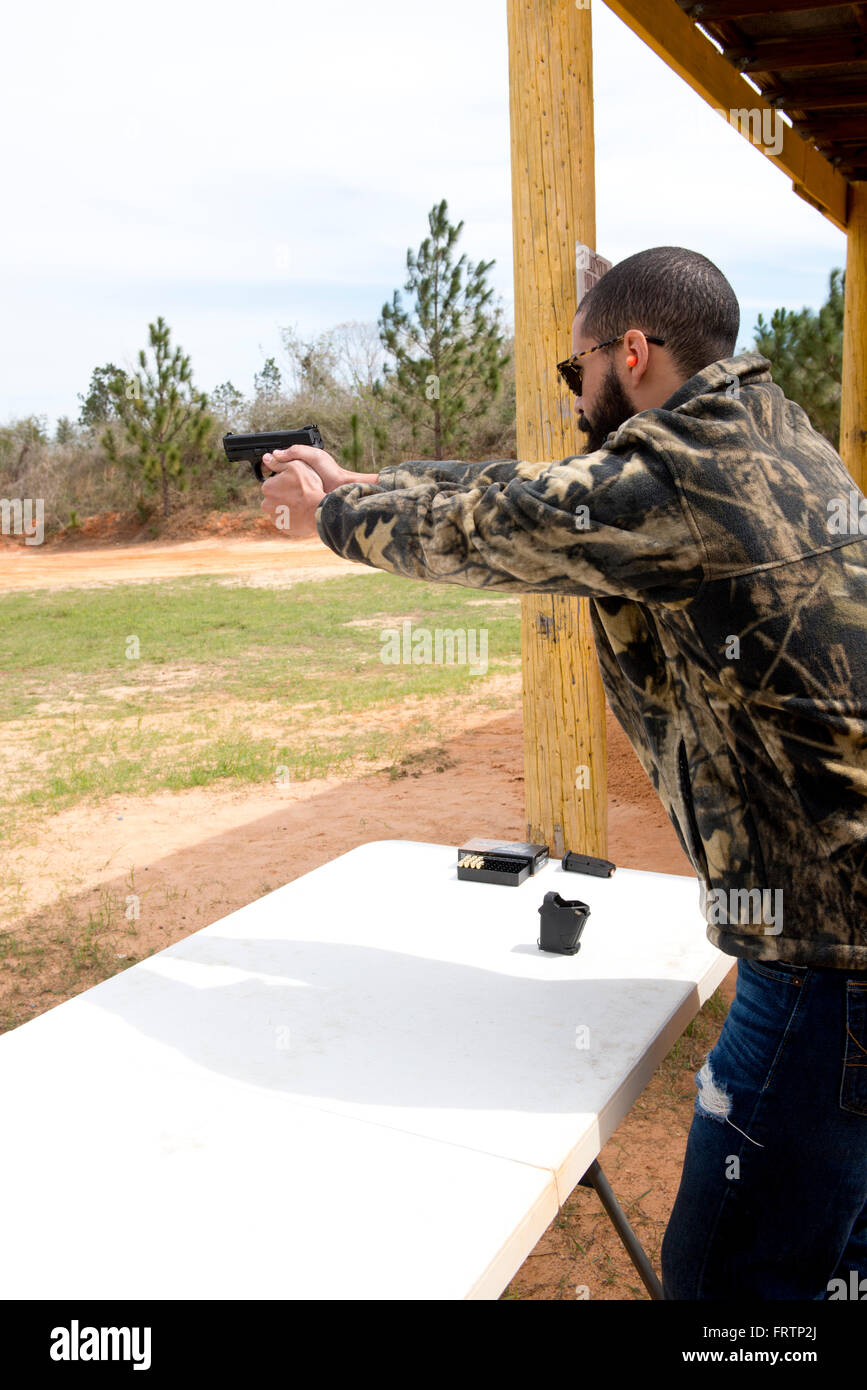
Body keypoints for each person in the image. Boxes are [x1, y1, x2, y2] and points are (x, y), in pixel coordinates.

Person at [258, 245, 867, 1300]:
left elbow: (507, 528)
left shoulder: (682, 473)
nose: (575, 395)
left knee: (730, 1281)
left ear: (632, 353)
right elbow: (535, 493)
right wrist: (371, 482)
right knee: (838, 1256)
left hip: (828, 956)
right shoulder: (771, 437)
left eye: (575, 369)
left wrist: (332, 513)